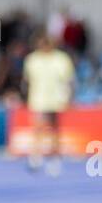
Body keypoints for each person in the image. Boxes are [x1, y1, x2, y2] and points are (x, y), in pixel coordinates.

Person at [22, 31, 74, 175]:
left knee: (55, 130)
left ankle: (55, 159)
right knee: (38, 128)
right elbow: (27, 80)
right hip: (38, 99)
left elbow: (68, 80)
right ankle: (36, 157)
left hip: (56, 99)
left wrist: (68, 97)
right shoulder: (32, 60)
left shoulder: (61, 59)